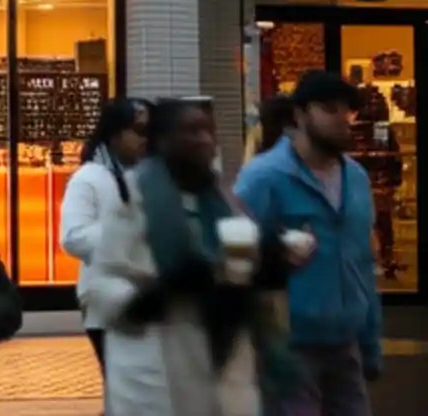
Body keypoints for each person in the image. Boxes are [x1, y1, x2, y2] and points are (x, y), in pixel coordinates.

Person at [90, 99, 292, 416]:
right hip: (156, 369)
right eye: (191, 131)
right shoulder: (134, 198)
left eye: (209, 131)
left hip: (223, 362)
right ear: (161, 140)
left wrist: (270, 264)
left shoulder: (224, 200)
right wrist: (156, 294)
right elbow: (101, 287)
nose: (205, 140)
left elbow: (244, 273)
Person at [236, 71, 381, 416]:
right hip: (289, 346)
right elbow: (234, 256)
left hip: (345, 344)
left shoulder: (356, 177)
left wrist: (371, 340)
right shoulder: (265, 176)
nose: (343, 119)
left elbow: (362, 261)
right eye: (330, 109)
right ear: (300, 115)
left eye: (348, 110)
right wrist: (275, 251)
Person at [59, 98, 151, 373]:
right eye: (139, 130)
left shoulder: (147, 176)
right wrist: (130, 229)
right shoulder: (89, 178)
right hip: (108, 304)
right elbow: (73, 237)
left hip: (148, 299)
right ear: (115, 133)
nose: (146, 140)